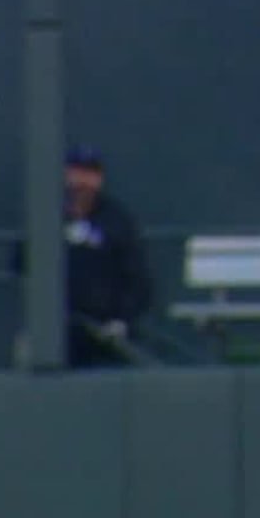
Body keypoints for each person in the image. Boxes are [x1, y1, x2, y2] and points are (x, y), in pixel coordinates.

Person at [61, 146, 151, 367]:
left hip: (105, 330)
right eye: (77, 173)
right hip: (60, 329)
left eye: (90, 175)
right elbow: (22, 263)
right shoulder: (49, 215)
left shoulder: (117, 220)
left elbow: (138, 278)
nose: (83, 182)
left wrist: (121, 320)